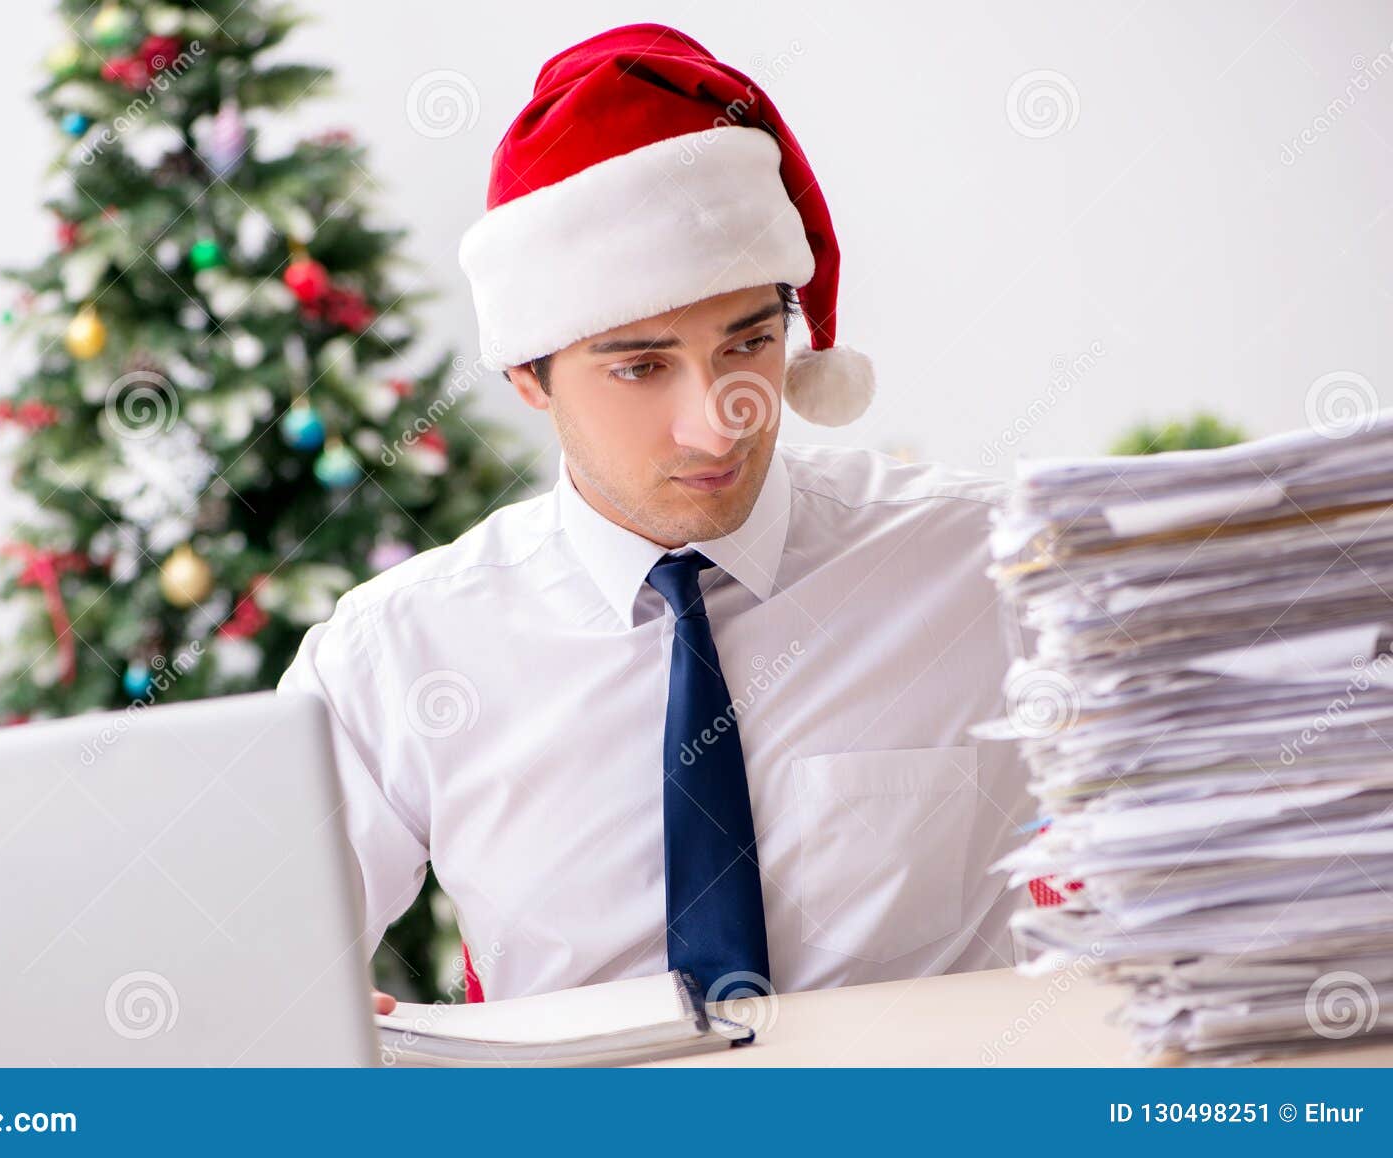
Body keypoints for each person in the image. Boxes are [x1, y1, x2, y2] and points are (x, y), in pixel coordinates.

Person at [280, 23, 1033, 1010]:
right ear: (526, 374)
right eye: (640, 366)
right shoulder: (398, 654)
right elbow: (246, 969)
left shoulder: (997, 566)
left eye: (747, 344)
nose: (714, 423)